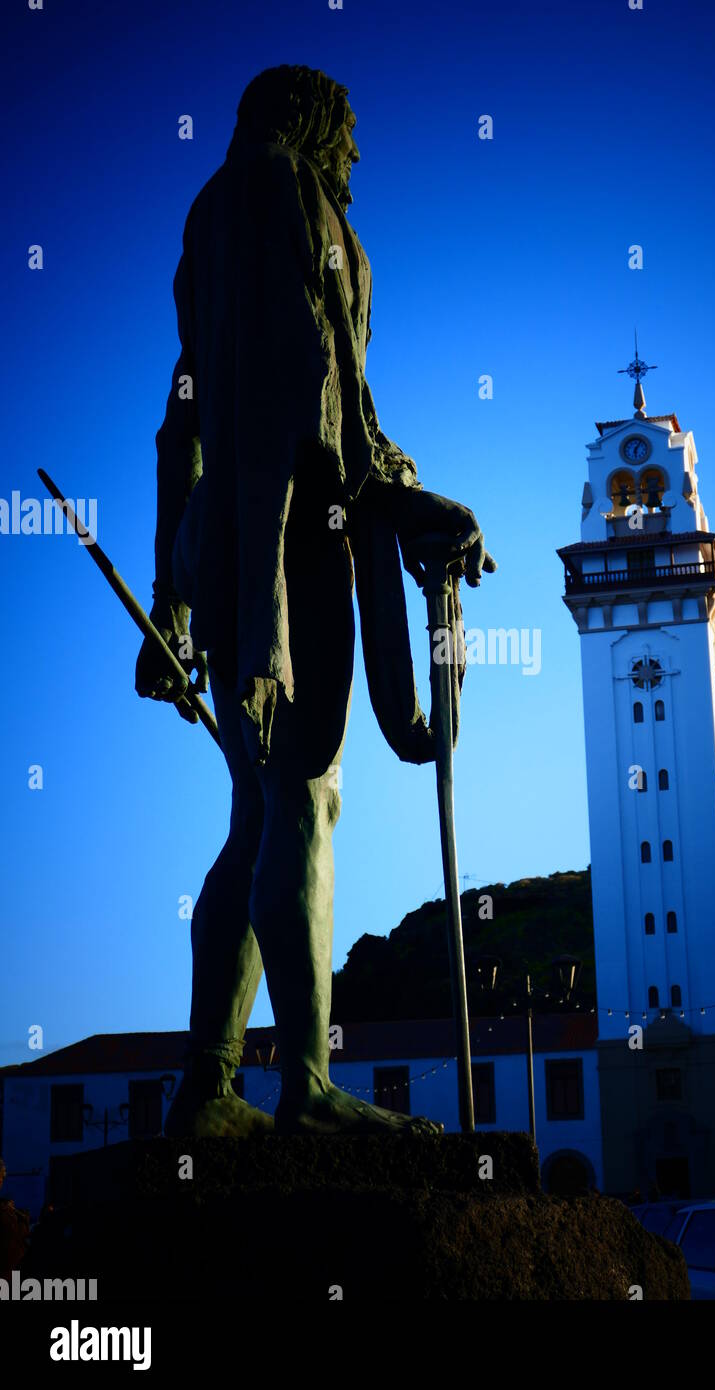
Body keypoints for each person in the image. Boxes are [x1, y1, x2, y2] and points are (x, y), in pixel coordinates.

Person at [136, 65, 495, 1137]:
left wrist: (174, 598)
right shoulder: (295, 196)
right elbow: (319, 388)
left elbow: (182, 418)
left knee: (258, 808)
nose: (356, 159)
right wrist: (404, 492)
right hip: (294, 525)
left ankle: (208, 1085)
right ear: (308, 124)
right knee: (305, 796)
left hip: (224, 539)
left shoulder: (206, 221)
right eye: (348, 135)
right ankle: (306, 1085)